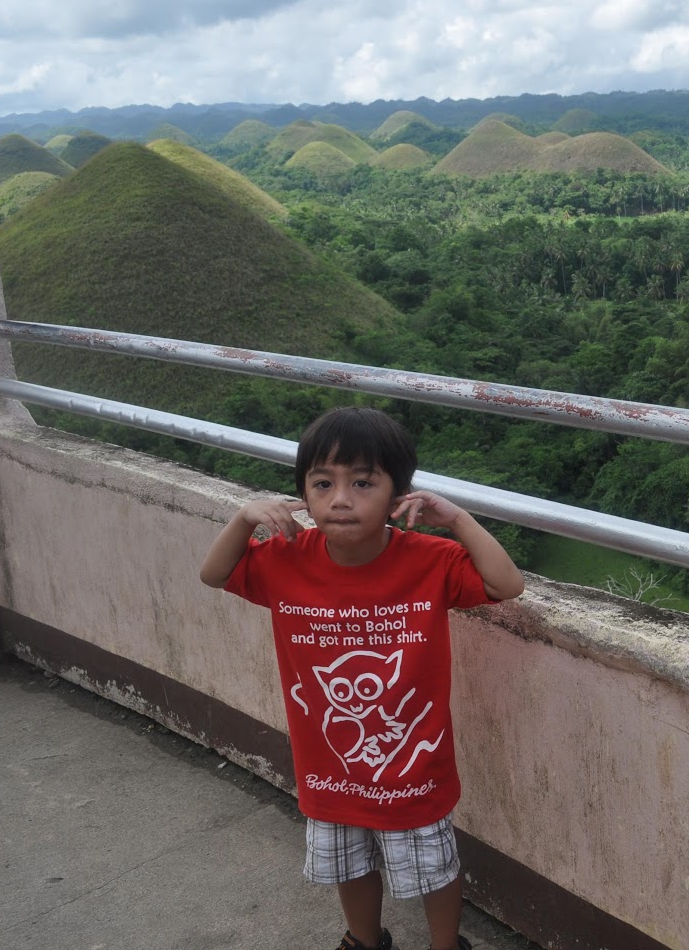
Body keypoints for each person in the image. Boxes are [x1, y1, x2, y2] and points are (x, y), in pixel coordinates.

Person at [200, 406, 524, 950]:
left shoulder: (429, 559)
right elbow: (214, 574)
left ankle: (446, 945)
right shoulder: (284, 558)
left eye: (363, 483)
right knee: (349, 865)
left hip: (412, 769)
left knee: (432, 868)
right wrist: (243, 518)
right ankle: (364, 940)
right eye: (322, 483)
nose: (341, 499)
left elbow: (506, 584)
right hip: (329, 769)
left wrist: (457, 519)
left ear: (399, 494)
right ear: (303, 493)